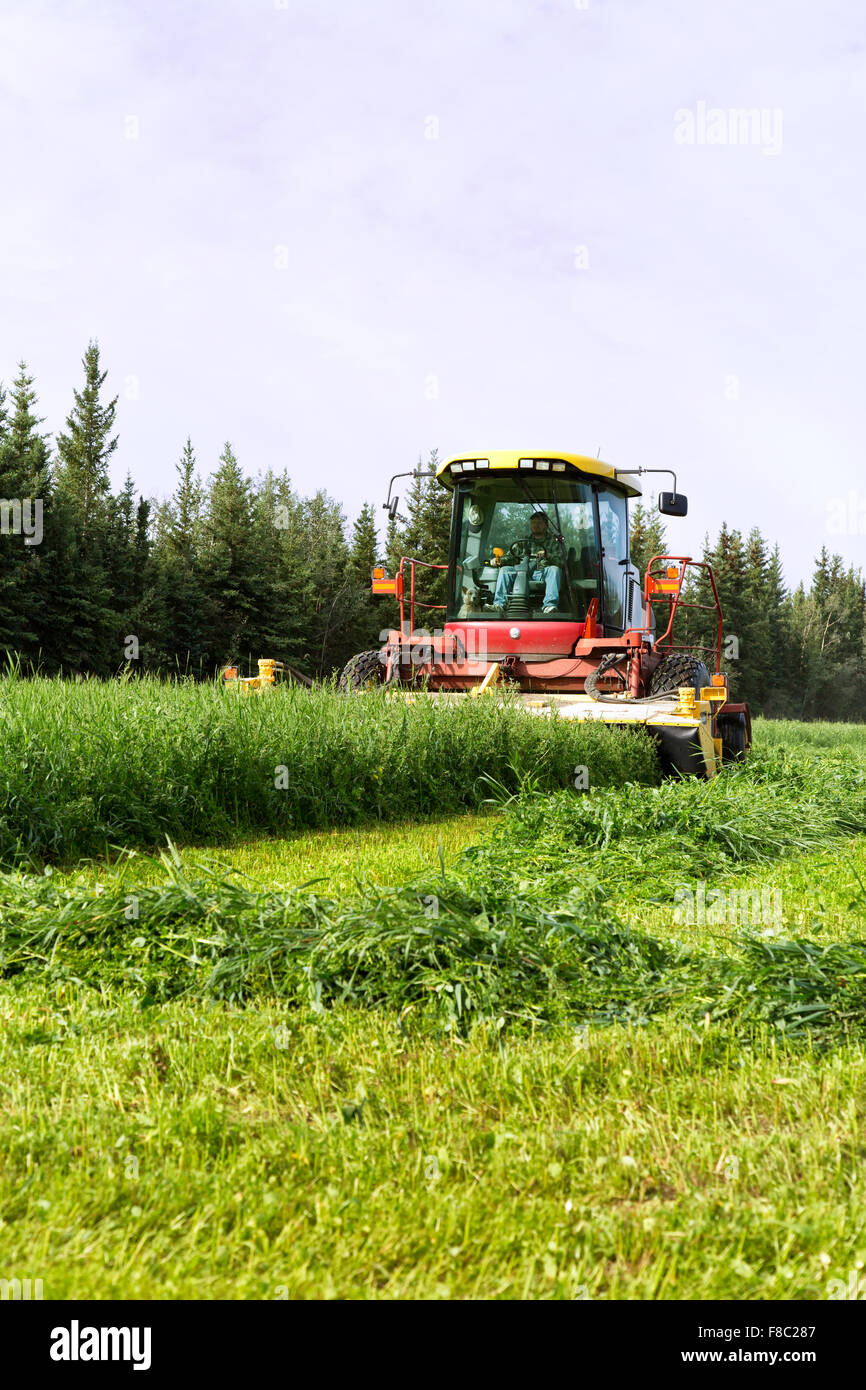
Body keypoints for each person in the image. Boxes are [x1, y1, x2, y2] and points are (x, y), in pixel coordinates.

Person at [486, 511, 561, 614]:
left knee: (554, 569)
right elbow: (511, 557)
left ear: (546, 525)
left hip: (542, 573)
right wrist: (499, 561)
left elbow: (561, 561)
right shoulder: (524, 541)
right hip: (521, 573)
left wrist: (547, 555)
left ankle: (549, 606)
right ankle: (499, 604)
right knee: (505, 570)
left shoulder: (553, 542)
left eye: (539, 523)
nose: (535, 525)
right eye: (533, 523)